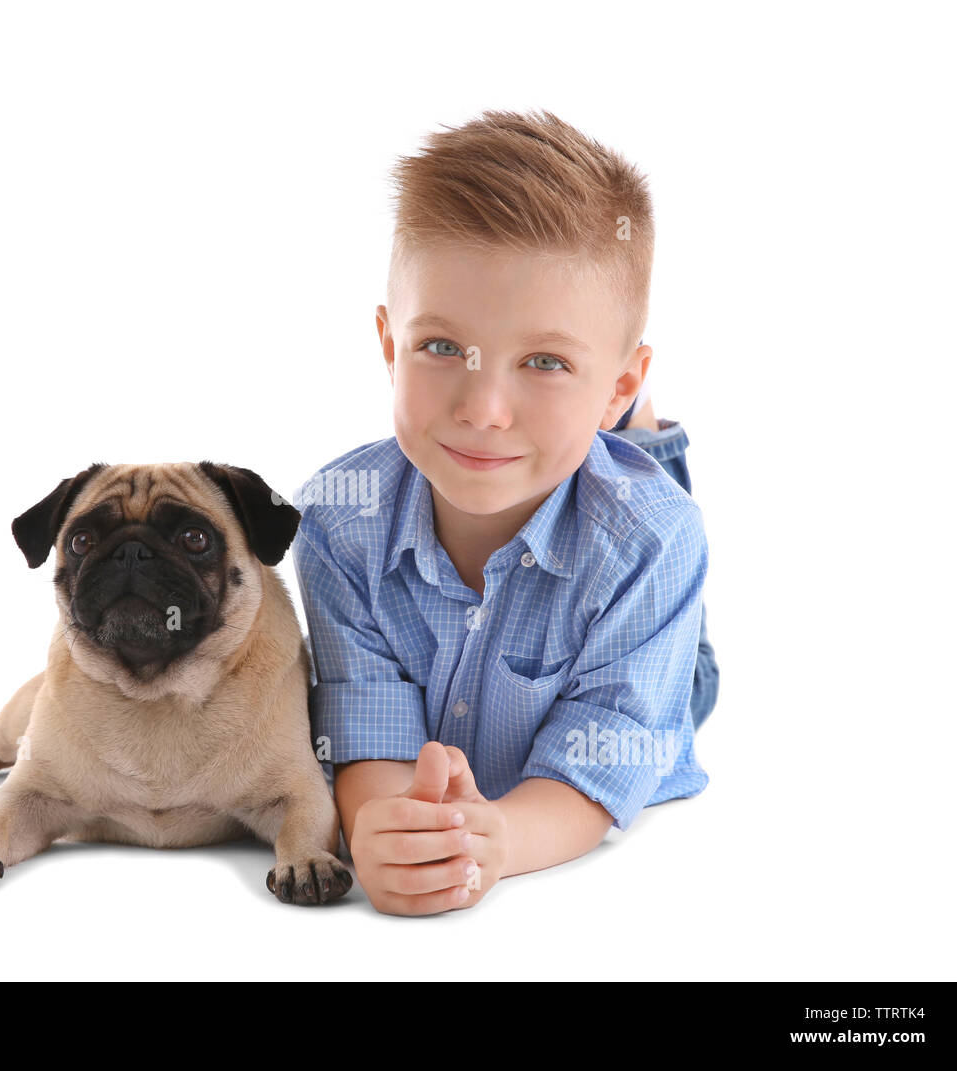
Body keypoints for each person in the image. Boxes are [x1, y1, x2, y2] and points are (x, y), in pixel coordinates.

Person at [291, 109, 718, 916]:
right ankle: (595, 414)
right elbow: (367, 732)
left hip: (640, 661)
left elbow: (603, 761)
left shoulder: (652, 547)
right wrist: (384, 821)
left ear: (619, 380)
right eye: (443, 348)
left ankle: (639, 435)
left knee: (657, 542)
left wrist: (497, 842)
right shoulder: (336, 525)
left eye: (545, 361)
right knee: (566, 454)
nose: (483, 408)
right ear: (390, 346)